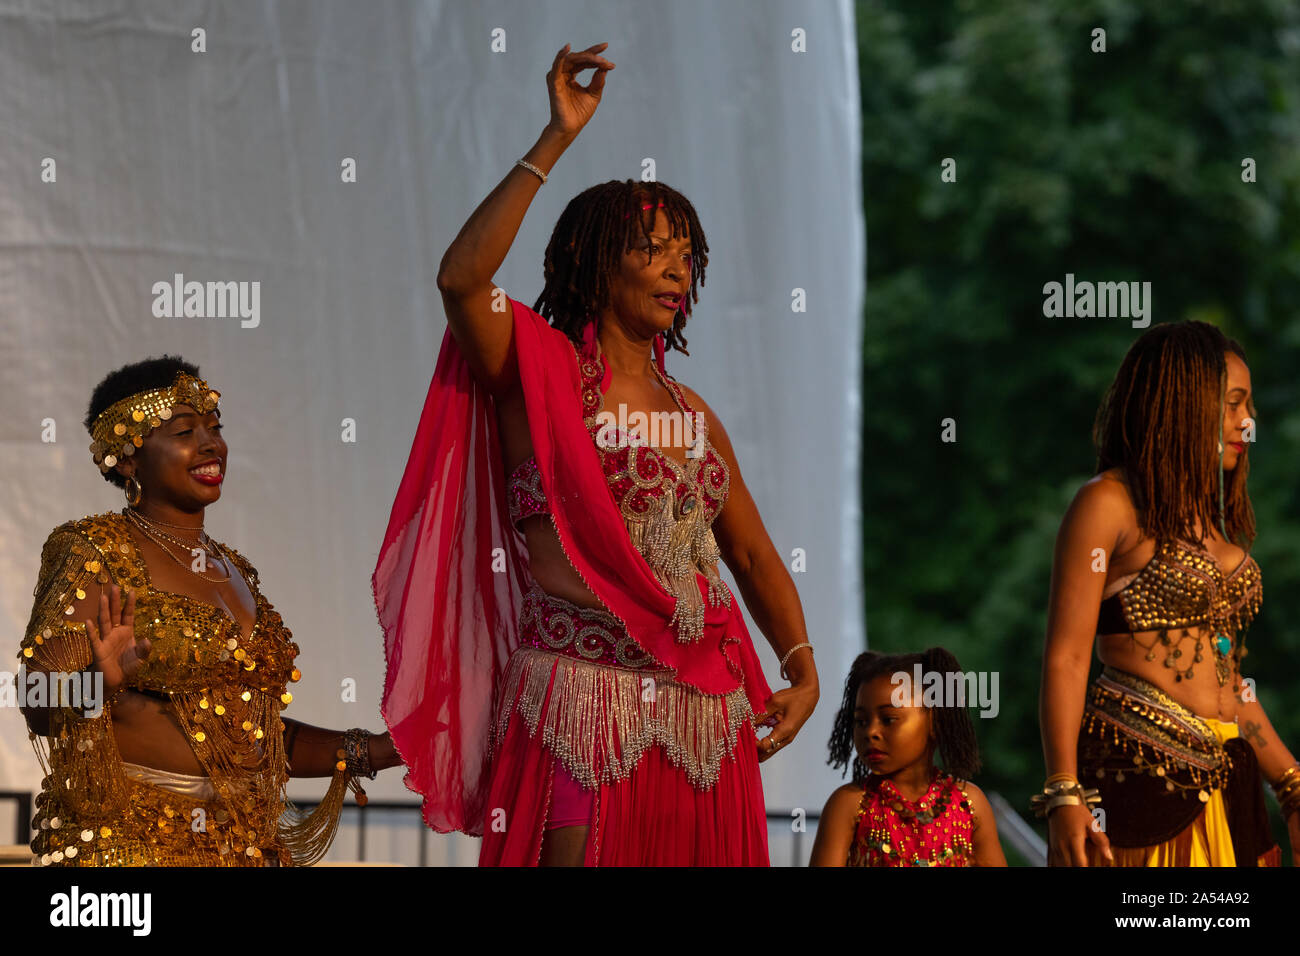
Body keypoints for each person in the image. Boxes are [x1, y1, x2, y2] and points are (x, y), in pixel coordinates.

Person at [374, 42, 819, 866]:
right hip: (583, 698)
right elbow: (461, 281)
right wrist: (555, 138)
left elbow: (753, 555)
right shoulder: (536, 372)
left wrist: (802, 669)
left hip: (707, 709)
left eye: (686, 254)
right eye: (653, 249)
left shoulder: (692, 412)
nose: (677, 268)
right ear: (594, 261)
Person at [17, 357, 401, 866]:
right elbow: (35, 697)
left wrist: (372, 750)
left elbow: (251, 737)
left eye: (214, 428)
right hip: (129, 848)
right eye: (183, 431)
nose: (210, 445)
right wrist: (95, 684)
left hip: (240, 848)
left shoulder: (235, 569)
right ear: (128, 460)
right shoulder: (97, 550)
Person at [1038, 320, 1298, 866]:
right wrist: (1064, 791)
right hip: (1142, 788)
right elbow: (1067, 658)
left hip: (1231, 790)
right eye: (1233, 404)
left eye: (1249, 407)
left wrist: (1290, 782)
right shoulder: (1107, 504)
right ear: (1184, 402)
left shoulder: (1209, 519)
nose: (1247, 422)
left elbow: (1230, 682)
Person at [809, 648, 1005, 866]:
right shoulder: (848, 804)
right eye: (861, 721)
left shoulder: (969, 803)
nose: (871, 732)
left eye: (888, 719)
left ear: (936, 721)